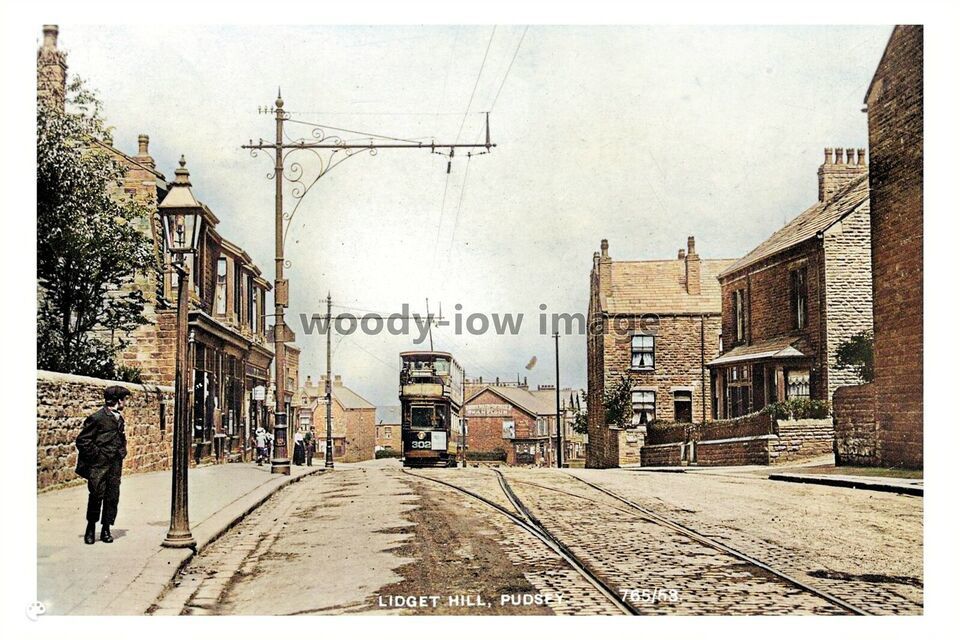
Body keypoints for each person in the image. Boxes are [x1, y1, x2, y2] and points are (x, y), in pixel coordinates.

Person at [75, 385, 130, 545]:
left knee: (112, 496)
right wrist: (97, 456)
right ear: (118, 400)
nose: (126, 403)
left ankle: (106, 529)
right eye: (124, 399)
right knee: (96, 495)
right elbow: (83, 440)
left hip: (115, 465)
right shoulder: (97, 417)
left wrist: (122, 451)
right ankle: (90, 528)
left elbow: (120, 438)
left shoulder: (119, 418)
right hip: (99, 465)